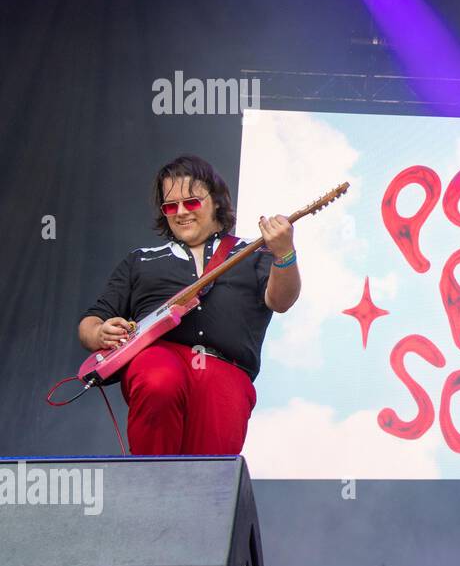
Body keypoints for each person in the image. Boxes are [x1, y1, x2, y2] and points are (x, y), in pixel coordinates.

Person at [78, 155, 301, 455]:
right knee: (159, 380)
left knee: (209, 483)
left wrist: (284, 254)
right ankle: (149, 487)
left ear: (216, 201)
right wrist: (100, 333)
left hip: (226, 373)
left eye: (192, 202)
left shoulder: (253, 252)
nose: (180, 212)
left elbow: (282, 301)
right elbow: (90, 323)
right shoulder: (141, 259)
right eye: (170, 206)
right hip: (159, 356)